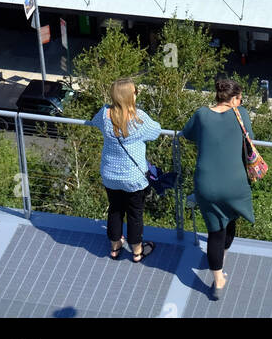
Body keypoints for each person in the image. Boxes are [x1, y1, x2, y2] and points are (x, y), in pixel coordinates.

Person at [180, 76, 256, 297]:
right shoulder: (240, 114)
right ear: (234, 99)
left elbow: (187, 134)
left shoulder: (202, 114)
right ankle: (222, 255)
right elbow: (249, 138)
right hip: (235, 183)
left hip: (206, 184)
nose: (241, 103)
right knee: (230, 217)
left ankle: (218, 280)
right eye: (240, 99)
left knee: (215, 231)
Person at [87, 77, 162, 262]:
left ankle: (115, 247)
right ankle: (137, 252)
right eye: (135, 92)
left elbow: (94, 123)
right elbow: (156, 131)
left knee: (115, 210)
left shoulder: (105, 115)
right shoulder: (139, 118)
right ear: (131, 96)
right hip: (134, 177)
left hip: (110, 174)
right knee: (135, 214)